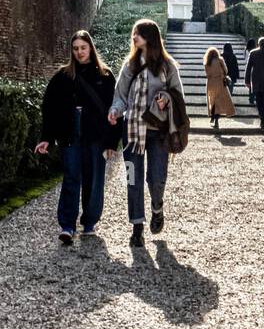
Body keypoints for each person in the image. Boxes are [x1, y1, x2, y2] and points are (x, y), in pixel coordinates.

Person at [35, 30, 120, 246]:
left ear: (90, 47)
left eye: (83, 47)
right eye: (75, 49)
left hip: (96, 135)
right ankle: (67, 225)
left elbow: (114, 110)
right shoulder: (63, 76)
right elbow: (49, 107)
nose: (79, 52)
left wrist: (112, 142)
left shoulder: (105, 76)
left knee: (94, 178)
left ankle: (90, 222)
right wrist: (46, 137)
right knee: (72, 176)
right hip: (70, 133)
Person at [108, 20, 186, 247]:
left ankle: (157, 208)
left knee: (157, 178)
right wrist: (114, 111)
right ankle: (137, 227)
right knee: (133, 179)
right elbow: (120, 96)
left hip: (159, 132)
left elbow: (178, 95)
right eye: (134, 33)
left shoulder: (167, 66)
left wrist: (166, 99)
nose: (134, 37)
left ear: (150, 37)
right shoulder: (129, 66)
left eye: (139, 34)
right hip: (132, 132)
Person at [204, 46, 235, 131]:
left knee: (213, 100)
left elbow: (207, 74)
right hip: (220, 82)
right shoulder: (220, 60)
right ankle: (216, 121)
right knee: (219, 100)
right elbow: (226, 70)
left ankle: (213, 116)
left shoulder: (207, 62)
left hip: (211, 83)